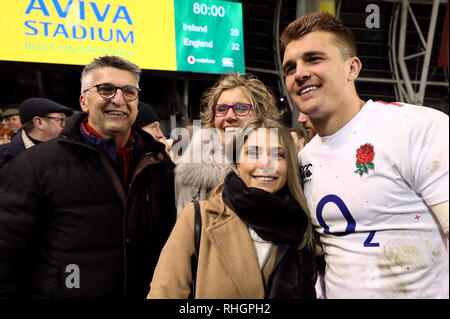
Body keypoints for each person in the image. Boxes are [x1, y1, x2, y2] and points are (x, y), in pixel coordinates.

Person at [281, 12, 449, 298]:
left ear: (352, 68)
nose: (299, 73)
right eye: (289, 67)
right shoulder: (301, 162)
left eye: (314, 58)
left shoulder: (417, 127)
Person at [0, 55, 176, 298]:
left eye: (129, 92)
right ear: (83, 101)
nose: (119, 99)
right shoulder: (33, 166)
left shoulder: (158, 164)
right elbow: (7, 259)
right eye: (106, 89)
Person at [148, 116, 317, 298]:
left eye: (278, 154)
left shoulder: (301, 226)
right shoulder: (199, 217)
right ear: (237, 161)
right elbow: (164, 293)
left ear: (289, 164)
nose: (266, 164)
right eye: (253, 153)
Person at [174, 73, 281, 216]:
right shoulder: (190, 172)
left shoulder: (282, 166)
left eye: (241, 108)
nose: (229, 116)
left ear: (261, 115)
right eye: (221, 109)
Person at [0, 97, 74, 170]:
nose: (65, 126)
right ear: (39, 122)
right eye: (61, 120)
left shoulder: (69, 151)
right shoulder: (3, 155)